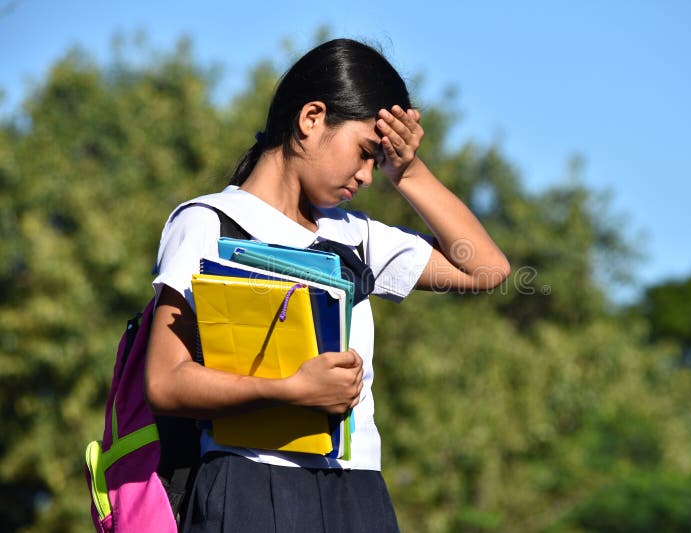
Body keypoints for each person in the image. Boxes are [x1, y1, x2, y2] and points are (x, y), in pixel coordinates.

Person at [144, 38, 510, 533]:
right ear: (312, 118)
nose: (367, 175)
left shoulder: (355, 234)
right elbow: (165, 382)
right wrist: (292, 390)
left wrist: (410, 172)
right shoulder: (210, 222)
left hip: (356, 492)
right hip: (247, 485)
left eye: (377, 160)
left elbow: (486, 269)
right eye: (364, 153)